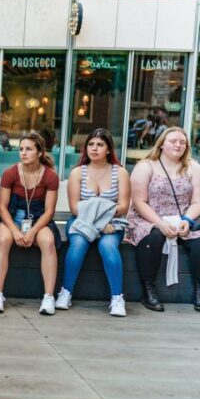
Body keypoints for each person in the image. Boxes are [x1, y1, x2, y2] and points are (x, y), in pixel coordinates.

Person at [56, 129, 130, 316]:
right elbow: (75, 208)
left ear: (108, 149)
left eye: (100, 145)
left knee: (108, 246)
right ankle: (66, 292)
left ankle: (117, 298)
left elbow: (123, 207)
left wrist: (99, 213)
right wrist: (100, 220)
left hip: (112, 224)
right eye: (91, 144)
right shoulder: (77, 173)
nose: (94, 149)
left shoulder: (120, 173)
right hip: (81, 221)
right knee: (79, 243)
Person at [126, 127, 200, 313]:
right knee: (154, 237)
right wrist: (160, 223)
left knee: (199, 241)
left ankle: (199, 289)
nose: (178, 145)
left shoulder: (194, 167)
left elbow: (197, 201)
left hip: (183, 217)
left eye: (182, 142)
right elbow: (139, 201)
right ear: (161, 144)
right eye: (173, 141)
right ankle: (148, 290)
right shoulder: (146, 166)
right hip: (149, 216)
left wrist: (187, 220)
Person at [0, 132, 59, 314]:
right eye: (21, 149)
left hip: (38, 220)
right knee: (4, 240)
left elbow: (49, 211)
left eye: (29, 149)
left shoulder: (50, 176)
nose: (23, 153)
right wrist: (16, 231)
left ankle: (49, 297)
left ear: (40, 152)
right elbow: (2, 207)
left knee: (48, 242)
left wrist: (32, 232)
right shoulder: (10, 173)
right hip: (12, 217)